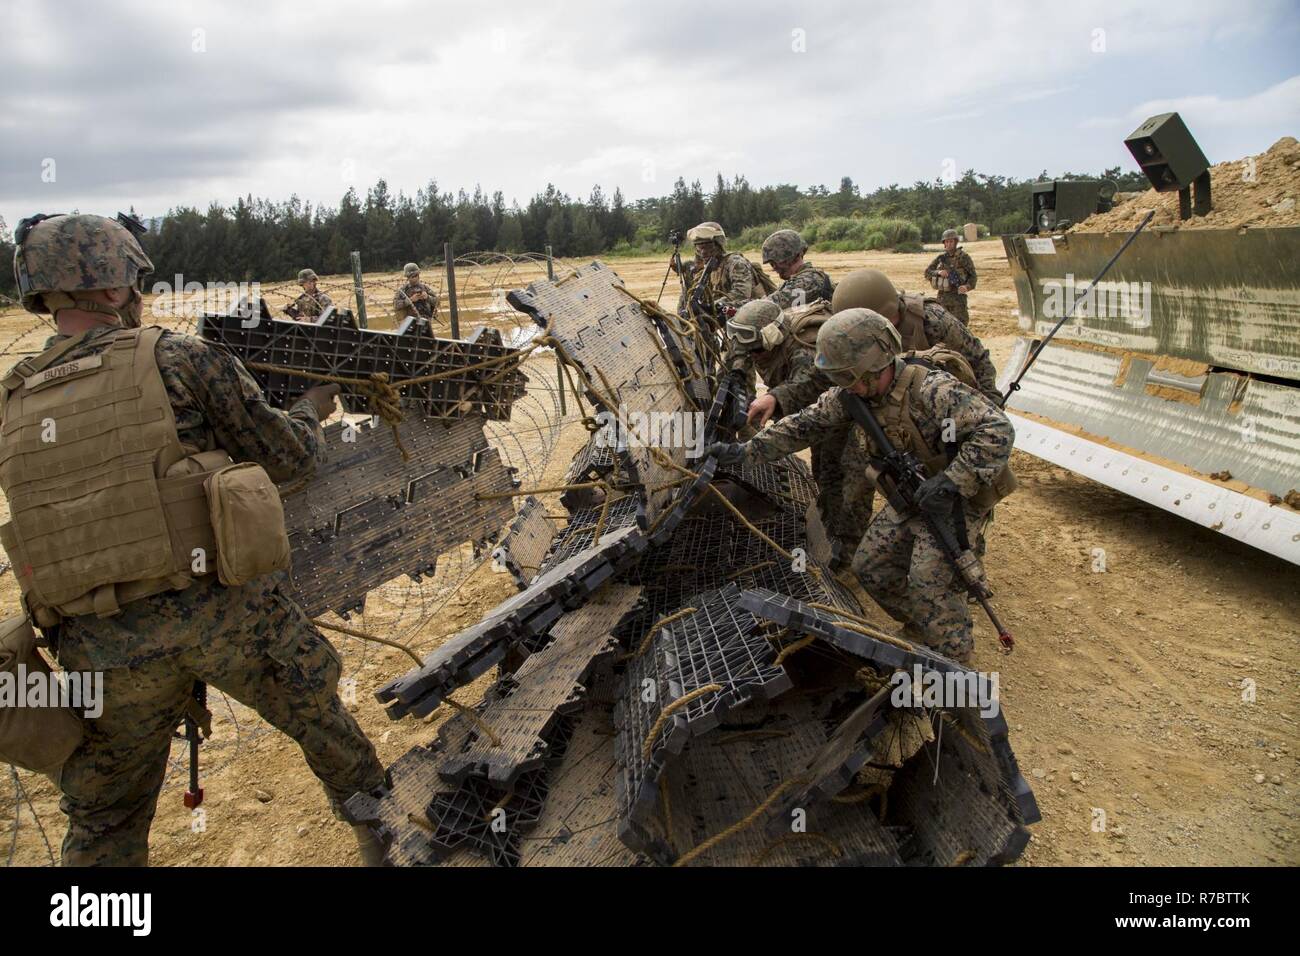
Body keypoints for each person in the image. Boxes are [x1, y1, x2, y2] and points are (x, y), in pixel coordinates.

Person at [1, 213, 386, 866]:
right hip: (221, 614)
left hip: (99, 645)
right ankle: (382, 834)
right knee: (323, 723)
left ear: (42, 295)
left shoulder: (11, 400)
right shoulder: (176, 356)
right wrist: (309, 408)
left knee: (104, 819)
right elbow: (288, 459)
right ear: (120, 287)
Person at [707, 309, 1016, 662]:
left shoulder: (931, 389)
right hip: (914, 495)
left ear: (876, 365)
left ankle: (954, 668)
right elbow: (805, 426)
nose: (844, 385)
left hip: (959, 499)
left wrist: (951, 481)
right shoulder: (853, 396)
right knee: (871, 567)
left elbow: (997, 430)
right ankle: (921, 626)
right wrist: (743, 452)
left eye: (849, 376)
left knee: (930, 580)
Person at [724, 300, 857, 565]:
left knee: (837, 475)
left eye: (755, 347)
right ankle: (833, 523)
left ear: (771, 336)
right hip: (818, 410)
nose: (751, 352)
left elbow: (807, 386)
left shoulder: (806, 350)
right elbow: (740, 350)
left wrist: (774, 397)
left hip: (841, 413)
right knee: (825, 473)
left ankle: (846, 545)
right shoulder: (757, 339)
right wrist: (738, 376)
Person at [830, 269, 998, 401]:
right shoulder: (850, 337)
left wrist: (991, 403)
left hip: (942, 402)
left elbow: (978, 359)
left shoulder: (932, 320)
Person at [674, 221, 767, 318]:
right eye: (699, 247)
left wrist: (711, 306)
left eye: (707, 247)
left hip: (751, 316)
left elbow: (741, 294)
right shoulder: (709, 267)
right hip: (726, 315)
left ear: (719, 245)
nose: (703, 252)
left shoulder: (736, 264)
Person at [760, 229, 834, 310]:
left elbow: (769, 306)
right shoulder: (798, 279)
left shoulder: (808, 280)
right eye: (771, 264)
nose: (774, 268)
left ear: (791, 257)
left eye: (774, 263)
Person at [923, 229, 977, 324]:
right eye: (947, 241)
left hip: (958, 300)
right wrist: (938, 272)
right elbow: (927, 272)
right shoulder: (941, 258)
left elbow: (973, 277)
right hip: (942, 298)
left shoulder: (963, 257)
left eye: (951, 241)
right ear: (944, 243)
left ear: (955, 242)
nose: (949, 244)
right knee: (942, 327)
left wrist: (966, 287)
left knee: (961, 327)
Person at [392, 262, 439, 328]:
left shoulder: (425, 288)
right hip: (409, 323)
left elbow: (437, 302)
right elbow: (395, 305)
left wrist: (427, 297)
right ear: (408, 277)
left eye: (416, 275)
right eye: (412, 276)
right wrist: (410, 300)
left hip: (425, 321)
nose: (415, 278)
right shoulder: (403, 291)